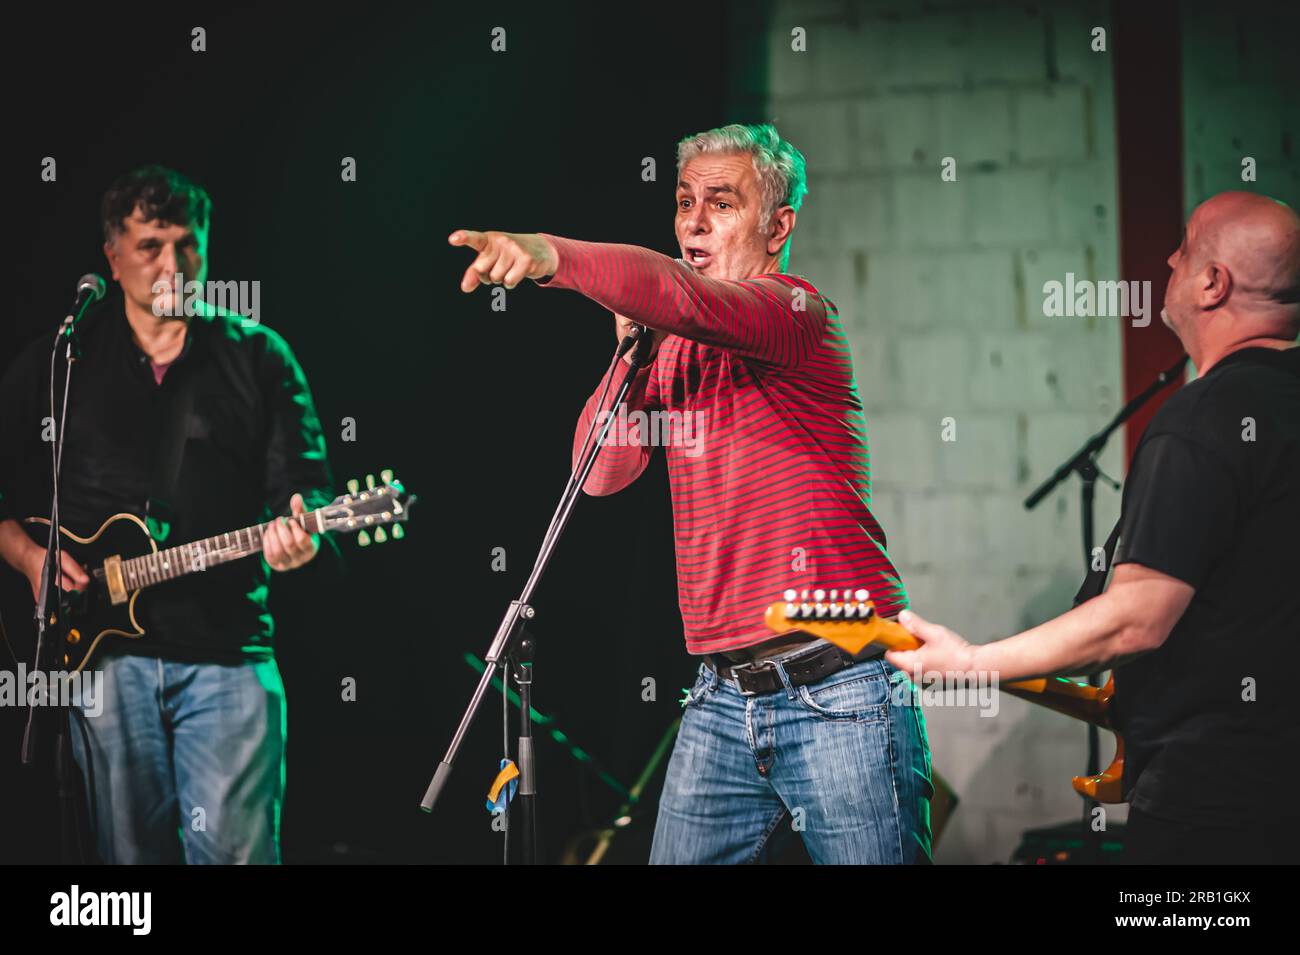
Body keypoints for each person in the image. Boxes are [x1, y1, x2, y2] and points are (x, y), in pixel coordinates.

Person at [449, 123, 932, 864]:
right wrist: (628, 355)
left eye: (722, 204)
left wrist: (553, 255)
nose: (695, 223)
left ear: (778, 226)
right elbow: (602, 473)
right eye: (683, 203)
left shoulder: (796, 314)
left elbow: (685, 294)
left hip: (839, 687)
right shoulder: (672, 347)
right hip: (721, 696)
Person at [887, 192, 1300, 864]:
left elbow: (1133, 621)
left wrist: (966, 662)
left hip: (1216, 808)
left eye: (1186, 245)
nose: (1169, 256)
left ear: (1213, 282)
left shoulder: (1203, 421)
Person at [0, 165, 336, 863]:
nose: (172, 265)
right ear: (112, 256)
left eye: (188, 244)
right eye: (151, 244)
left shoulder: (257, 356)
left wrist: (297, 535)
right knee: (130, 868)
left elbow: (307, 494)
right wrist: (31, 558)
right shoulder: (64, 360)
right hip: (102, 659)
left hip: (229, 656)